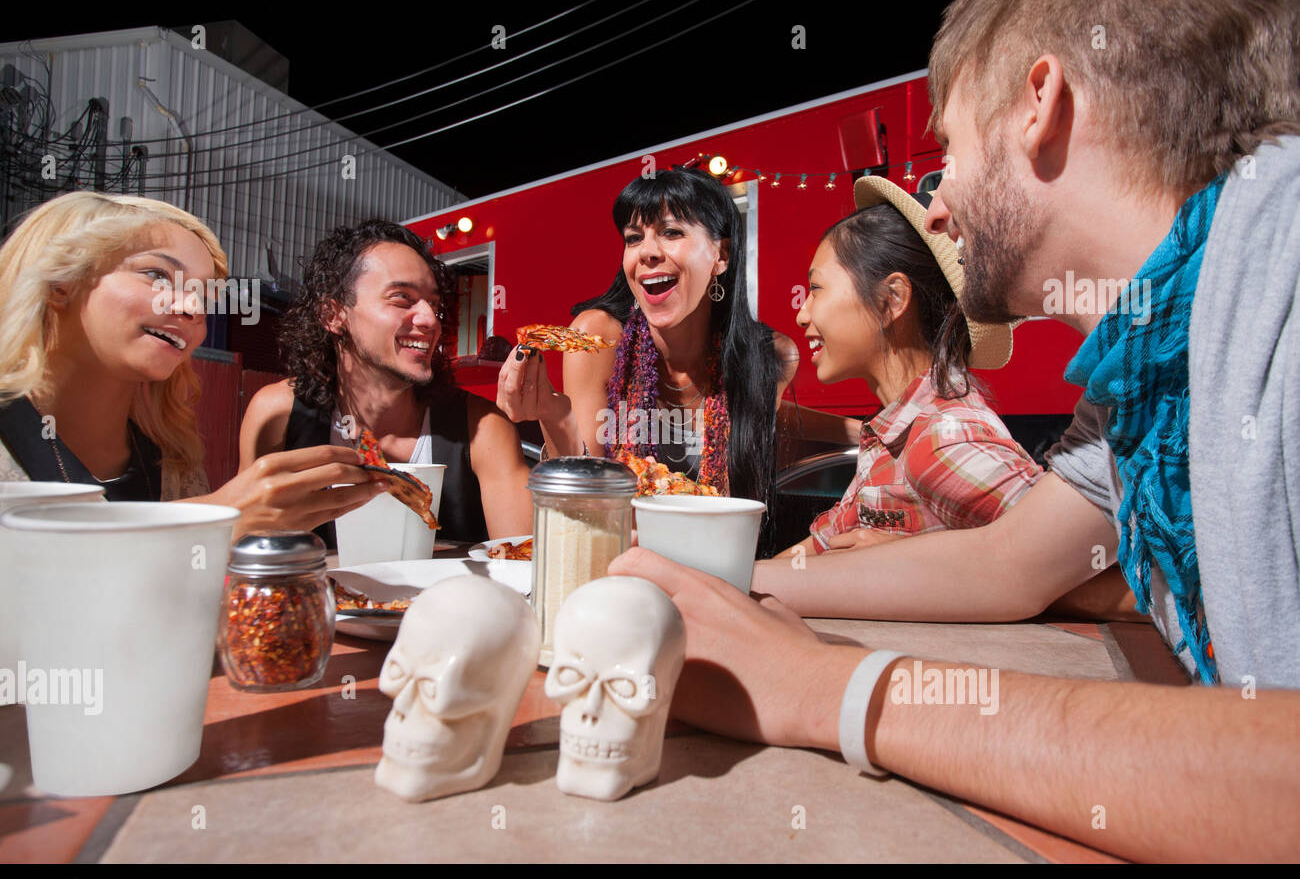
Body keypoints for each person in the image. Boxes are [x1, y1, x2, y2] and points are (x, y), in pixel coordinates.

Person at [612, 0, 1300, 862]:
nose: (935, 213)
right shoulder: (1138, 362)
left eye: (947, 157)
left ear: (1038, 105)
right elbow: (1011, 562)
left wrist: (827, 687)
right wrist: (738, 591)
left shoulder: (1284, 264)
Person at [0, 191, 382, 536]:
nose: (193, 308)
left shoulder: (175, 463)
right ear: (60, 284)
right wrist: (220, 518)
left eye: (206, 296)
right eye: (157, 275)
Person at [496, 168, 800, 510]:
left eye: (671, 232)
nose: (646, 252)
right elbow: (586, 500)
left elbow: (770, 424)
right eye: (633, 238)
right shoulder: (599, 337)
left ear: (721, 256)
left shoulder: (769, 354)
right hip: (620, 549)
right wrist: (554, 415)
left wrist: (866, 435)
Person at [775, 176, 1041, 557]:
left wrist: (918, 559)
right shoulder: (895, 433)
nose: (802, 315)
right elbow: (817, 549)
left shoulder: (943, 440)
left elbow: (1121, 585)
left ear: (891, 300)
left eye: (816, 289)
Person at [241, 219, 532, 543]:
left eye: (433, 304)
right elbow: (248, 552)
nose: (429, 320)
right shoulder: (278, 414)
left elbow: (521, 570)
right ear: (333, 315)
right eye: (401, 299)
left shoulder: (483, 428)